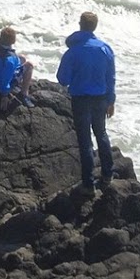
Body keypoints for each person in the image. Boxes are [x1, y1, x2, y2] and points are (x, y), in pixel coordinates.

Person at [57, 10, 116, 192]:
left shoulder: (73, 51)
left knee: (85, 141)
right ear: (94, 27)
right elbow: (111, 77)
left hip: (80, 99)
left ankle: (88, 184)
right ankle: (107, 175)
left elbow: (62, 79)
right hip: (100, 98)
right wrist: (111, 100)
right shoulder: (105, 48)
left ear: (80, 25)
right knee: (101, 134)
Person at [0, 25, 35, 111]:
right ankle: (24, 93)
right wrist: (4, 96)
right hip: (0, 85)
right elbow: (6, 79)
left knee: (22, 58)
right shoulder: (10, 59)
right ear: (13, 40)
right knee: (29, 65)